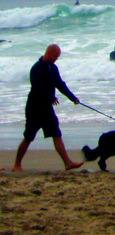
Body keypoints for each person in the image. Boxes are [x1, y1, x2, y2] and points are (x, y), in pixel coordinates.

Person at [13, 44, 83, 172]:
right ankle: (17, 165)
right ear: (49, 53)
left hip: (47, 109)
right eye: (56, 56)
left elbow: (60, 84)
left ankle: (68, 163)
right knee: (29, 136)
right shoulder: (37, 68)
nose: (57, 58)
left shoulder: (53, 68)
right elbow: (37, 87)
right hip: (34, 108)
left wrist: (73, 98)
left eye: (58, 56)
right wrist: (51, 97)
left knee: (56, 133)